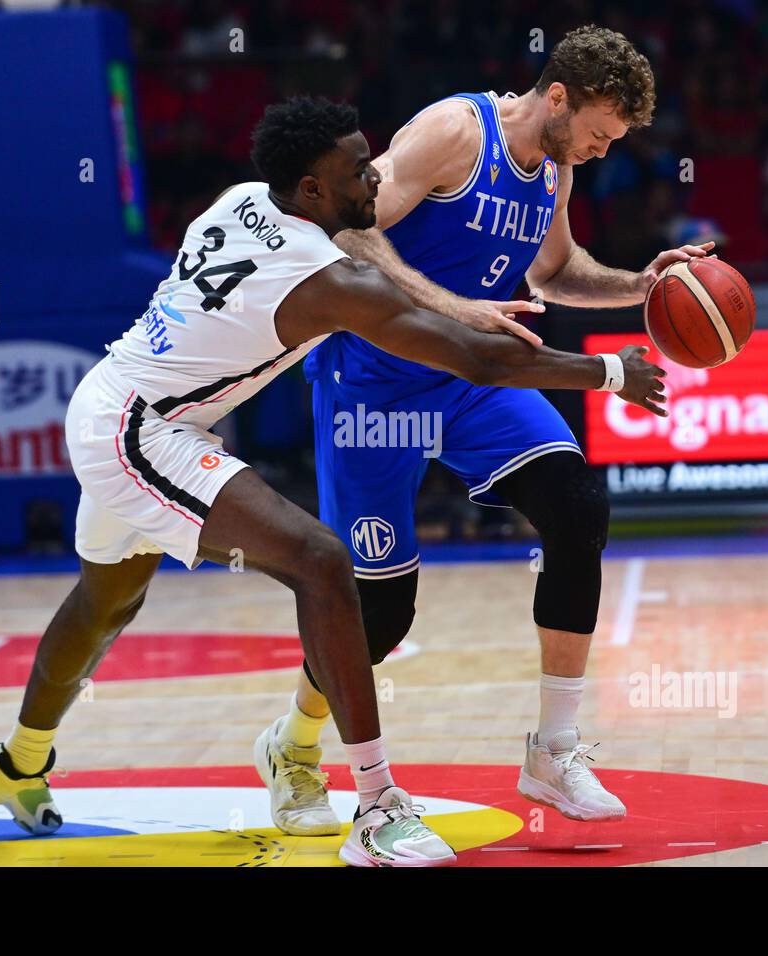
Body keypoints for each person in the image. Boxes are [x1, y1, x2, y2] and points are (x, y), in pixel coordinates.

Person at [0, 96, 668, 868]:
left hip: (122, 403)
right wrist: (606, 371)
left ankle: (18, 760)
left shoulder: (240, 200)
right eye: (356, 171)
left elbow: (456, 321)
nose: (375, 177)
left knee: (106, 601)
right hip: (139, 431)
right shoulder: (329, 278)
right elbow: (480, 360)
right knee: (323, 562)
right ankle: (377, 806)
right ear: (311, 191)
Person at [253, 26, 705, 837]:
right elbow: (352, 227)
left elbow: (556, 273)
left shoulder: (555, 169)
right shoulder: (457, 132)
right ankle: (293, 744)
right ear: (558, 96)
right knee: (381, 617)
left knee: (577, 507)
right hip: (377, 387)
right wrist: (452, 307)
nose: (601, 152)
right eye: (599, 131)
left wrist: (647, 283)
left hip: (471, 381)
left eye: (611, 143)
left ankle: (553, 752)